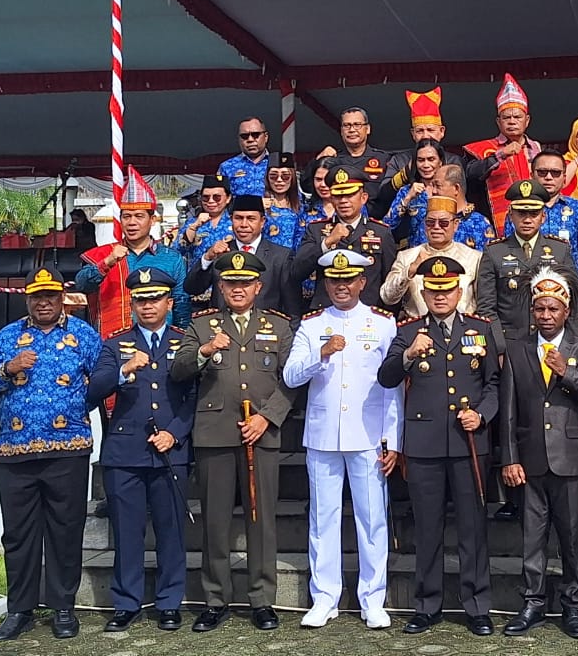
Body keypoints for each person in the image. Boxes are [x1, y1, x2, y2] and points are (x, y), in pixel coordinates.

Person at [0, 267, 102, 643]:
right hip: (15, 452)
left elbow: (104, 379)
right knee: (18, 535)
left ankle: (63, 607)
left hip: (68, 450)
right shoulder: (9, 336)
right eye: (36, 296)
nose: (43, 302)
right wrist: (7, 369)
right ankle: (20, 610)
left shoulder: (83, 336)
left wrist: (80, 409)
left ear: (62, 297)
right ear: (27, 298)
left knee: (65, 530)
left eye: (50, 295)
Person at [171, 252, 298, 633]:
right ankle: (215, 599)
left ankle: (262, 599)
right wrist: (206, 352)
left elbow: (292, 380)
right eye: (230, 283)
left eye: (245, 283)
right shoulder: (202, 325)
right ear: (220, 287)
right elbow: (178, 370)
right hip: (215, 435)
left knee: (262, 520)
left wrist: (267, 417)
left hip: (261, 433)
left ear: (258, 288)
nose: (237, 289)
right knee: (215, 521)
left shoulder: (279, 326)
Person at [378, 259, 501, 636]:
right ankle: (426, 605)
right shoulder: (409, 331)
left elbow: (494, 384)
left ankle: (477, 605)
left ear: (460, 293)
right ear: (424, 294)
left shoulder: (480, 329)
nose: (441, 296)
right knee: (428, 528)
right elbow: (386, 378)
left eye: (447, 290)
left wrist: (481, 416)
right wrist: (410, 354)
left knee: (472, 528)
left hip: (469, 444)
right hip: (425, 444)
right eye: (433, 291)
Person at [284, 250, 401, 629]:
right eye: (334, 281)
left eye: (348, 280)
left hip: (368, 435)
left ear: (362, 282)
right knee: (323, 520)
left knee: (372, 520)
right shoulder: (312, 324)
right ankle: (324, 597)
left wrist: (393, 440)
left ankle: (373, 599)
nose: (341, 286)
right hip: (322, 435)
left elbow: (393, 388)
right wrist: (321, 353)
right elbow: (290, 377)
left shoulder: (382, 324)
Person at [86, 268, 196, 634]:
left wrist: (175, 434)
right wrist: (122, 371)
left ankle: (168, 603)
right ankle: (126, 603)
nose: (147, 306)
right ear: (132, 304)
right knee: (127, 533)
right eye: (141, 300)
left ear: (169, 302)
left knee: (171, 532)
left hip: (169, 452)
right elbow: (92, 391)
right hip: (125, 452)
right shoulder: (115, 345)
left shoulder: (184, 342)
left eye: (154, 299)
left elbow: (197, 398)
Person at [499, 269, 578, 640]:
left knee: (572, 537)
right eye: (540, 308)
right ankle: (533, 602)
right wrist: (510, 458)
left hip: (571, 456)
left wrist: (566, 374)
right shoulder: (517, 350)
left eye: (553, 309)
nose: (545, 315)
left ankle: (573, 605)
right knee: (532, 536)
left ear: (566, 311)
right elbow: (509, 409)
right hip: (530, 459)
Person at [75, 167, 189, 337]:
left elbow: (181, 304)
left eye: (139, 216)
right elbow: (81, 285)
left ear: (152, 220)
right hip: (112, 344)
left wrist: (182, 340)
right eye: (126, 216)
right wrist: (107, 263)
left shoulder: (171, 258)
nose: (132, 222)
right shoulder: (106, 255)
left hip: (160, 344)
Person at [477, 180, 578, 346]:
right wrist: (499, 347)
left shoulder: (560, 250)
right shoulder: (494, 252)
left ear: (543, 217)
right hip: (511, 343)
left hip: (552, 342)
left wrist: (574, 346)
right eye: (521, 213)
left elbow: (573, 303)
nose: (527, 220)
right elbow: (486, 308)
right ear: (511, 215)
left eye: (533, 213)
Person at [294, 164, 397, 312]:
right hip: (326, 313)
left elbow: (389, 285)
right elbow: (297, 271)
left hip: (368, 316)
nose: (343, 201)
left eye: (349, 195)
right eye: (338, 195)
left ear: (363, 198)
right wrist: (327, 242)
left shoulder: (381, 232)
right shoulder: (316, 229)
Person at [183, 194, 299, 319]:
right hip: (222, 331)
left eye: (251, 219)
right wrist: (207, 258)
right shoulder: (218, 252)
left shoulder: (280, 256)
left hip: (265, 331)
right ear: (231, 219)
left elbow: (292, 307)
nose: (244, 224)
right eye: (238, 218)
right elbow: (192, 288)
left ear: (262, 222)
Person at [381, 196, 484, 318]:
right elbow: (387, 297)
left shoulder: (474, 258)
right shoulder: (407, 256)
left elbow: (484, 303)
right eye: (430, 222)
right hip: (418, 330)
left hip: (463, 329)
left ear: (455, 224)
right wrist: (410, 270)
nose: (436, 227)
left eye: (443, 223)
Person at [464, 73, 540, 228]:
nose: (512, 121)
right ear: (499, 122)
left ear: (527, 121)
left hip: (534, 218)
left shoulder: (537, 149)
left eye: (517, 117)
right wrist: (501, 154)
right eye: (506, 118)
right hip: (495, 223)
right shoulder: (483, 149)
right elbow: (470, 173)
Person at [504, 151, 578, 280]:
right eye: (542, 172)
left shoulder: (577, 209)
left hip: (568, 288)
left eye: (555, 173)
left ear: (564, 177)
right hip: (526, 288)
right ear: (532, 175)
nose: (548, 177)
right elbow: (509, 252)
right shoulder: (517, 209)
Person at [317, 107, 390, 212]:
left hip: (375, 223)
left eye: (357, 125)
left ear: (368, 129)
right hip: (341, 222)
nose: (352, 130)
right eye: (347, 125)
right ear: (341, 131)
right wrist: (318, 159)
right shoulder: (333, 159)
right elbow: (307, 186)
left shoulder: (383, 159)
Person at [386, 138, 447, 244]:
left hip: (448, 253)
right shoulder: (407, 191)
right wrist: (407, 199)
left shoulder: (450, 189)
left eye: (431, 159)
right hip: (417, 254)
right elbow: (387, 225)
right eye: (421, 160)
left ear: (440, 162)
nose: (426, 165)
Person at [429, 163, 496, 251]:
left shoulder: (479, 223)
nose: (433, 191)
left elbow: (487, 262)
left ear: (456, 188)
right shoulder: (429, 221)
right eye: (432, 186)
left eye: (438, 186)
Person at [178, 174, 234, 265]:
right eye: (205, 197)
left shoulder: (236, 222)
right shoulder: (191, 222)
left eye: (217, 197)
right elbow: (178, 250)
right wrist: (194, 227)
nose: (211, 201)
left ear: (228, 198)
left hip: (227, 275)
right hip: (198, 274)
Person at [219, 117, 272, 197]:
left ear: (266, 137)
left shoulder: (279, 164)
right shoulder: (227, 167)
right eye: (244, 136)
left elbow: (294, 198)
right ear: (239, 139)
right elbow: (219, 200)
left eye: (255, 135)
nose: (250, 140)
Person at [264, 152, 306, 252]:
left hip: (295, 258)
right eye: (273, 176)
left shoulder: (302, 203)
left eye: (285, 176)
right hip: (269, 258)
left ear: (292, 178)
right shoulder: (260, 201)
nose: (279, 180)